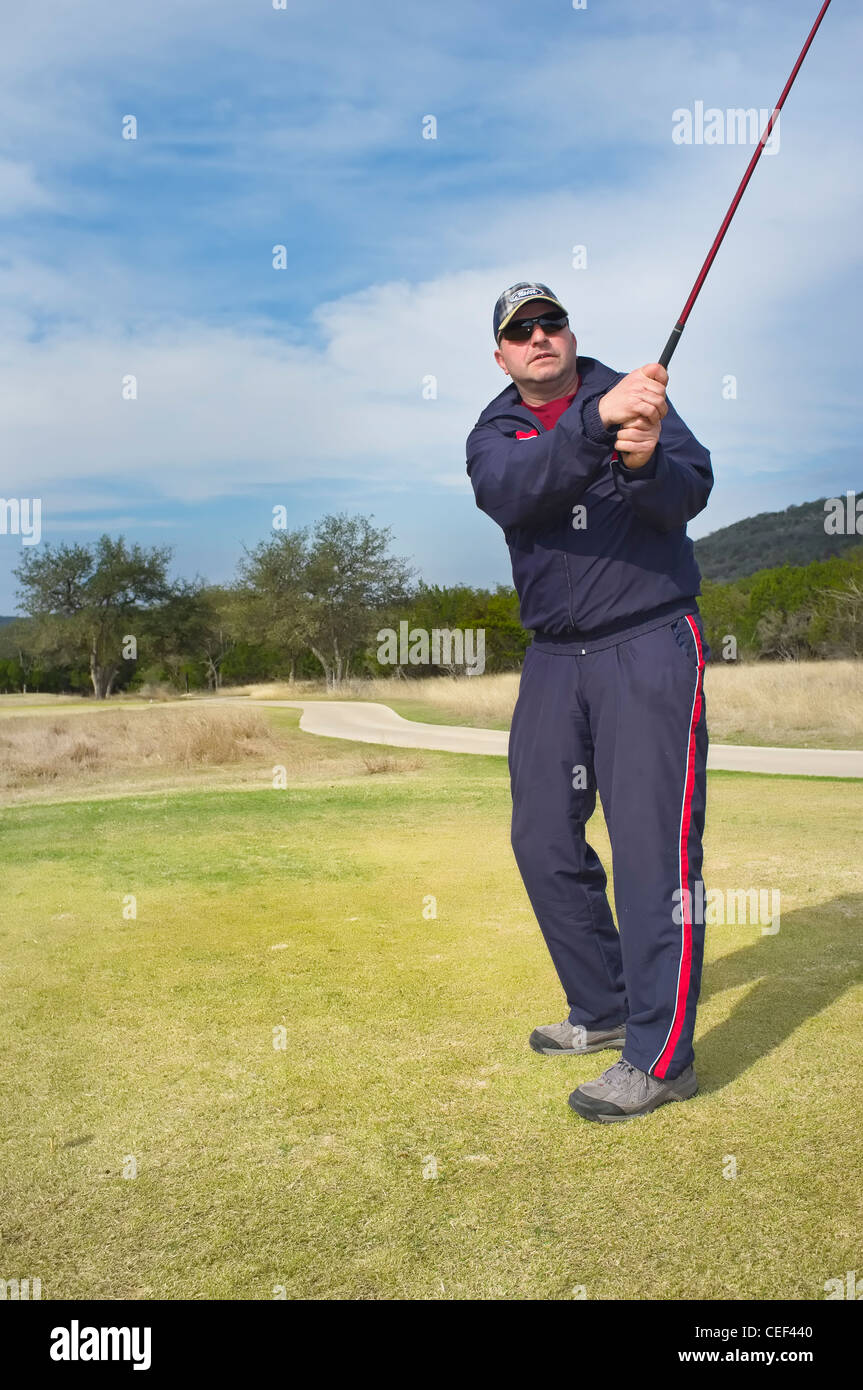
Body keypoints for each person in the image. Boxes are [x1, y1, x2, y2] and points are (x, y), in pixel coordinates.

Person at [465, 281, 714, 1122]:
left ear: (570, 334)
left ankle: (659, 1054)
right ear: (500, 354)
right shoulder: (496, 431)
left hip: (646, 641)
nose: (540, 337)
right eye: (520, 331)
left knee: (653, 849)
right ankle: (604, 1005)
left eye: (551, 323)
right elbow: (516, 493)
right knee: (540, 837)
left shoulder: (638, 396)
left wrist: (644, 461)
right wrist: (599, 421)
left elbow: (690, 493)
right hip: (551, 658)